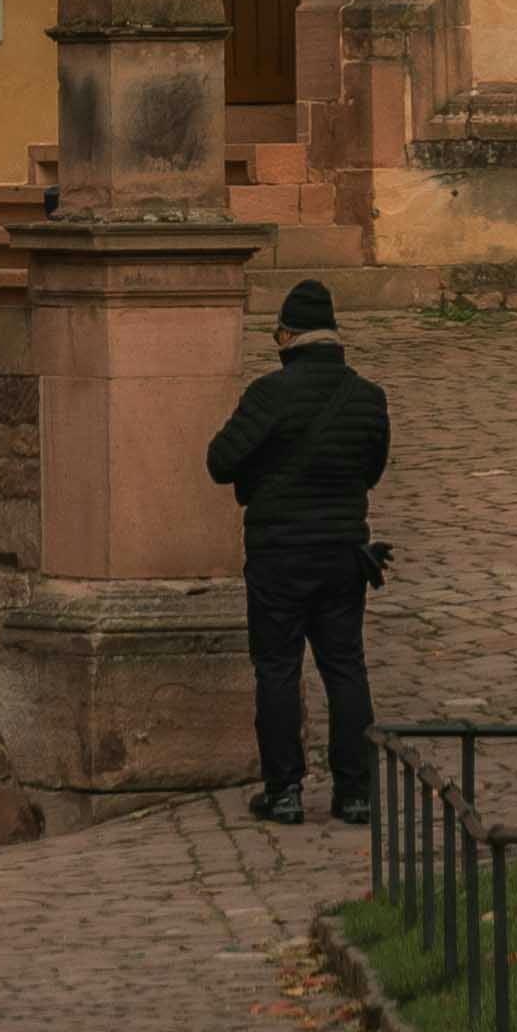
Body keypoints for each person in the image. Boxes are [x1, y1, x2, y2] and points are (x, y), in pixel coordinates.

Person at [207, 274, 393, 831]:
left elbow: (220, 462)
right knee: (345, 668)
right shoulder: (367, 397)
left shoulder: (268, 396)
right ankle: (355, 792)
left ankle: (284, 791)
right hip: (342, 552)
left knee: (279, 669)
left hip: (279, 554)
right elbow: (372, 469)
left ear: (287, 336)